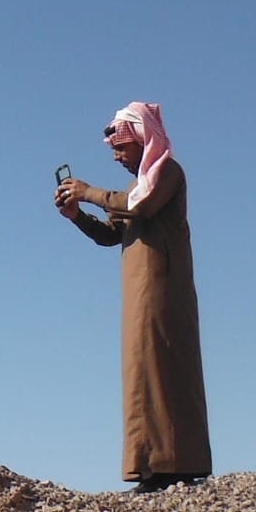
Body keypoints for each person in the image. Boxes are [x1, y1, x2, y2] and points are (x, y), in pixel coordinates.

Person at [55, 102, 212, 491]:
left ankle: (177, 464)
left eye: (121, 148)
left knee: (167, 370)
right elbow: (112, 234)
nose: (116, 156)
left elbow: (141, 206)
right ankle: (150, 467)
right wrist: (77, 215)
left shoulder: (167, 174)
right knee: (141, 373)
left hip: (164, 289)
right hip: (138, 294)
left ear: (143, 141)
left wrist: (89, 192)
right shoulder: (131, 189)